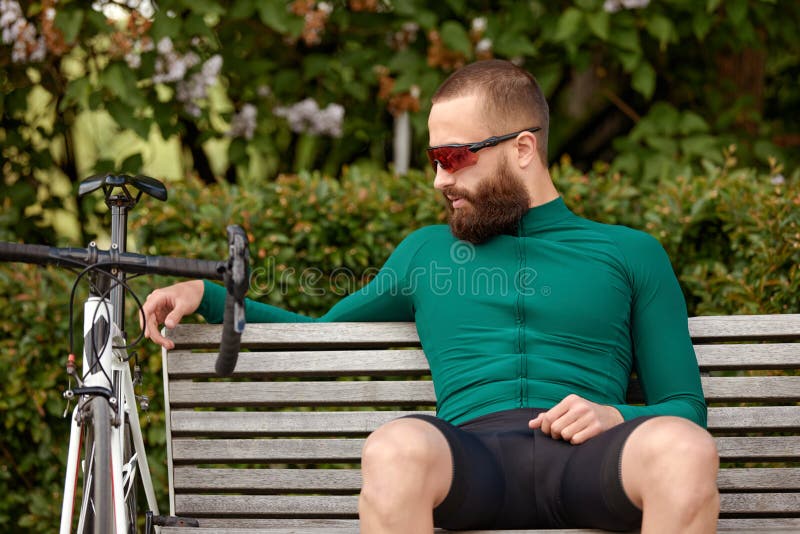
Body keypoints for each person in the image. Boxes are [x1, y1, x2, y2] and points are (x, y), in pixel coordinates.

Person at [142, 60, 719, 533]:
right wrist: (209, 294)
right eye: (433, 159)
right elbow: (320, 335)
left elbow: (685, 406)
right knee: (395, 448)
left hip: (591, 460)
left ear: (523, 148)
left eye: (455, 157)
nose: (440, 180)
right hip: (475, 462)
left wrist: (615, 414)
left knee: (685, 450)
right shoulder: (426, 254)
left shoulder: (631, 253)